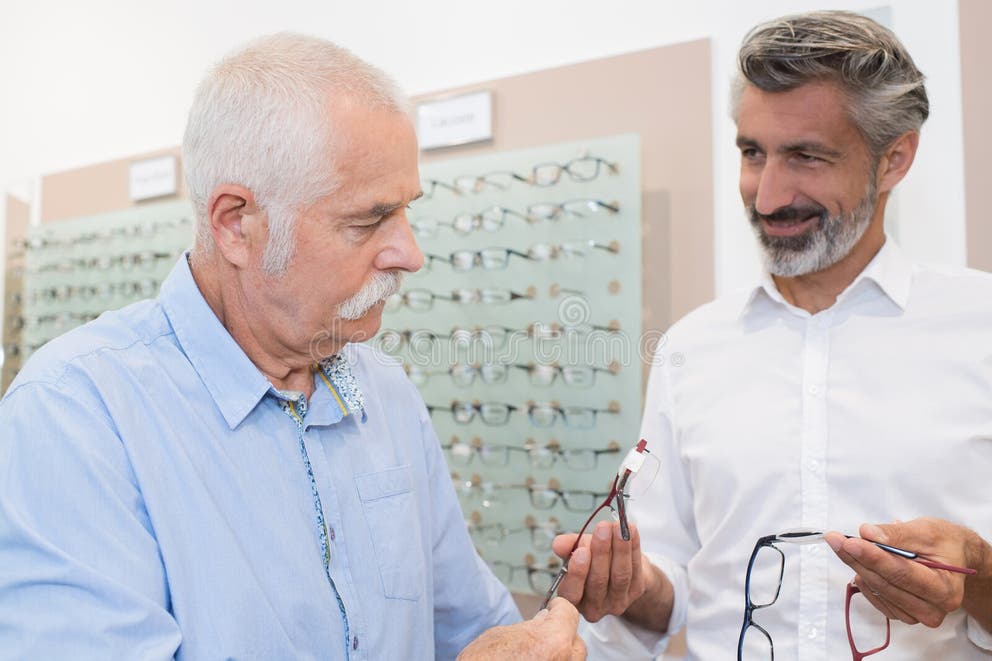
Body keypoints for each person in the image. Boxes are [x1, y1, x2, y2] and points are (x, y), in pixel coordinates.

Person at [0, 33, 585, 660]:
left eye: (408, 213)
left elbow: (467, 627)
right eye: (368, 221)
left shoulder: (385, 394)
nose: (410, 255)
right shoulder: (75, 416)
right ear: (237, 225)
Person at [550, 10, 992, 659]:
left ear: (895, 157)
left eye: (806, 156)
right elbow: (671, 581)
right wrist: (630, 581)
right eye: (753, 153)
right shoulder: (690, 349)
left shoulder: (981, 328)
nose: (766, 197)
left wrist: (977, 574)